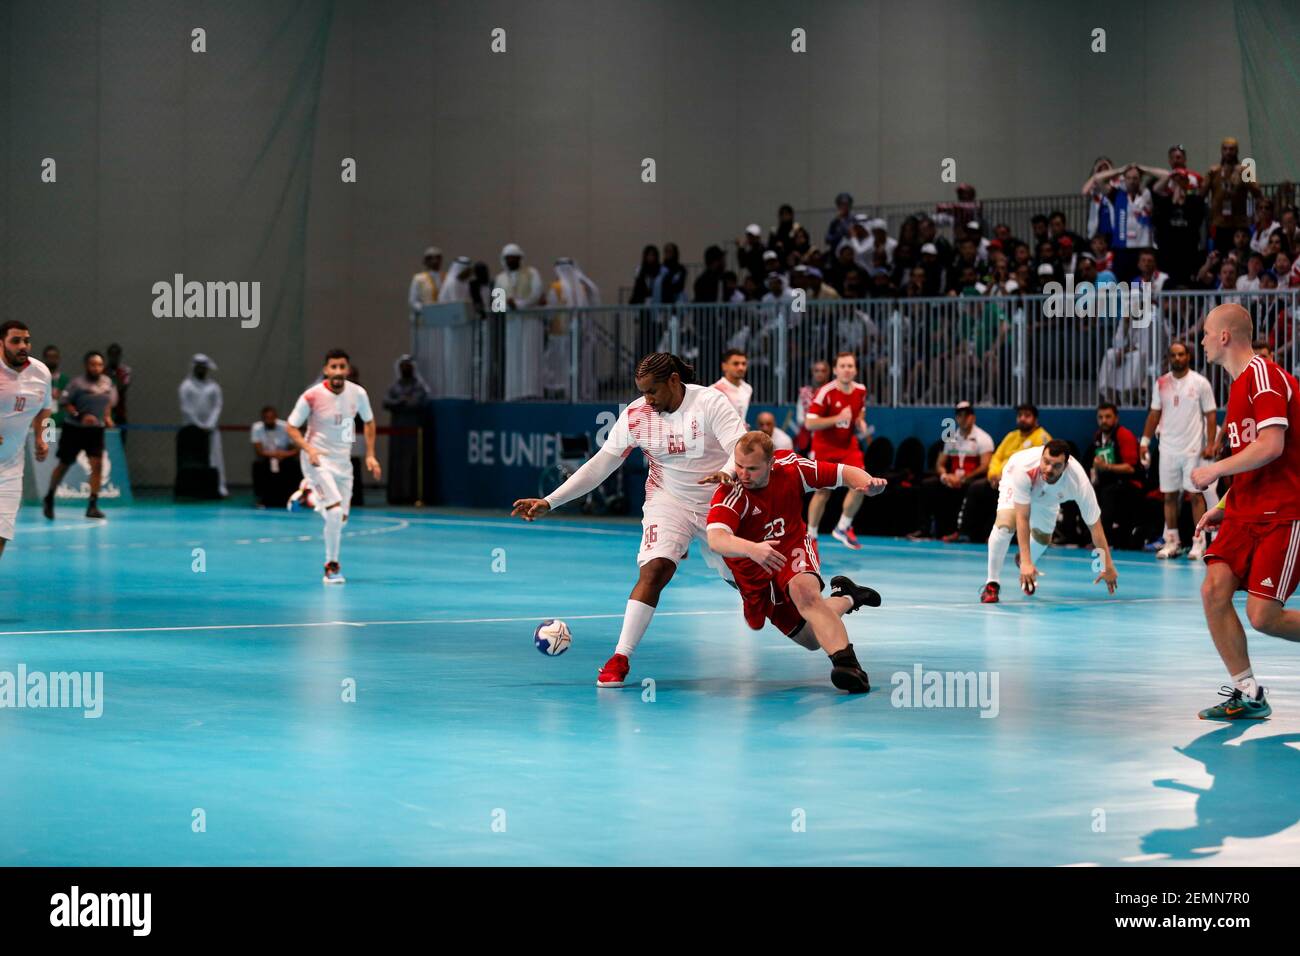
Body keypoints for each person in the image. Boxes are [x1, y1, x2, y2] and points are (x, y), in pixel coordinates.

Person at [510, 353, 747, 689]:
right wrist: (551, 501)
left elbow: (741, 448)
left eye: (652, 391)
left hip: (720, 501)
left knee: (752, 587)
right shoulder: (637, 416)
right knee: (655, 569)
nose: (647, 400)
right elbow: (601, 465)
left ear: (674, 382)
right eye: (642, 392)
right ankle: (620, 657)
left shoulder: (709, 402)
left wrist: (726, 473)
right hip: (669, 501)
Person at [704, 433, 886, 693]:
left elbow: (842, 472)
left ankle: (848, 665)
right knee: (812, 638)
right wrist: (753, 549)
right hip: (754, 569)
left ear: (771, 463)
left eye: (752, 468)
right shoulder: (731, 490)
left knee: (805, 594)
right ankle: (848, 597)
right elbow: (716, 539)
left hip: (791, 547)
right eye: (739, 465)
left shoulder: (792, 468)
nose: (743, 474)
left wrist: (867, 484)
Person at [1189, 304, 1300, 720]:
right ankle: (1248, 691)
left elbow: (1271, 446)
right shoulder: (1237, 388)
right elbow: (1253, 459)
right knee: (1213, 591)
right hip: (1243, 511)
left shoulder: (1264, 375)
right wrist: (1221, 504)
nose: (1200, 341)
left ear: (1223, 337)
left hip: (1282, 512)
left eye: (1205, 333)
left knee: (1263, 616)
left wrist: (1214, 469)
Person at [979, 440, 1119, 604]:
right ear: (1041, 457)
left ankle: (1026, 564)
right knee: (1005, 524)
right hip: (1018, 481)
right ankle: (992, 583)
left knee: (1043, 538)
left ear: (1066, 466)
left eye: (1056, 466)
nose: (1048, 469)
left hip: (1049, 498)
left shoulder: (1079, 483)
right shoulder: (1024, 468)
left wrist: (1106, 564)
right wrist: (1026, 561)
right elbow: (1022, 518)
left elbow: (1095, 527)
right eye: (1046, 462)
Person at [284, 349, 381, 585]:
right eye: (333, 367)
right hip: (317, 460)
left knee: (340, 520)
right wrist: (309, 449)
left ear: (347, 370)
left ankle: (309, 497)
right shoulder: (312, 396)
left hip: (343, 463)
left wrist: (370, 455)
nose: (338, 371)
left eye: (342, 367)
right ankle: (332, 566)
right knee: (335, 512)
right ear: (326, 370)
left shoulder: (358, 394)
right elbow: (291, 427)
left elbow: (369, 422)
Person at [1140, 340, 1219, 559]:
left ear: (1188, 357)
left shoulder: (1200, 383)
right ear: (1169, 358)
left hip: (1193, 448)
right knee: (1169, 496)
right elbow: (1154, 413)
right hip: (1167, 448)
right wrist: (1144, 442)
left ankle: (1198, 541)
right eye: (1173, 355)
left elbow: (1211, 414)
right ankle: (1172, 541)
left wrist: (1210, 444)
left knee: (1194, 496)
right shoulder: (1161, 383)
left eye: (1181, 354)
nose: (1177, 358)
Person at [951, 404, 1051, 543]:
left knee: (1004, 494)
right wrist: (993, 475)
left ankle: (999, 535)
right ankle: (967, 533)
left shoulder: (1042, 438)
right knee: (976, 488)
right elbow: (996, 458)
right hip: (999, 479)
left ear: (1035, 419)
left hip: (1024, 482)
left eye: (1027, 416)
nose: (1022, 419)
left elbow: (1039, 465)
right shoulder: (1011, 436)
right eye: (1020, 415)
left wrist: (1006, 477)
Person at [804, 351, 869, 550]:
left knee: (863, 483)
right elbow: (809, 424)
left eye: (850, 366)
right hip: (824, 447)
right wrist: (837, 418)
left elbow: (860, 411)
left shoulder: (860, 390)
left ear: (855, 369)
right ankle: (811, 536)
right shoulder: (825, 392)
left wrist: (860, 421)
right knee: (823, 492)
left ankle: (843, 527)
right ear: (835, 370)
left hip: (848, 446)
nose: (847, 370)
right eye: (843, 366)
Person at [0, 321, 52, 560]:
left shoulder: (41, 373)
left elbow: (44, 408)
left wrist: (42, 438)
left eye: (26, 340)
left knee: (2, 530)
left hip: (10, 467)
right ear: (2, 342)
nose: (23, 346)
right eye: (15, 341)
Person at [44, 350, 117, 520]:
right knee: (64, 464)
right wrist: (80, 416)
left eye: (99, 364)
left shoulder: (108, 384)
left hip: (95, 431)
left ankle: (92, 505)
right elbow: (65, 403)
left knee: (97, 465)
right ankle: (49, 497)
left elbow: (109, 403)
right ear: (86, 366)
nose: (96, 367)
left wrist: (106, 417)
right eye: (92, 364)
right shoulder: (76, 383)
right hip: (74, 429)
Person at [919, 400, 993, 540]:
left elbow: (985, 466)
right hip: (952, 479)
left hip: (971, 480)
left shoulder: (984, 438)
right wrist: (945, 477)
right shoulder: (950, 436)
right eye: (960, 415)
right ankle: (924, 529)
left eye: (967, 415)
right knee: (927, 484)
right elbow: (940, 464)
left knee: (974, 488)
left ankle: (963, 532)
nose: (963, 419)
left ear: (973, 417)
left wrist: (964, 479)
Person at [1088, 402, 1143, 550]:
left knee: (1108, 492)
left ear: (1116, 418)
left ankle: (1103, 540)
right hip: (1109, 482)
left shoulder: (1124, 435)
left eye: (1108, 417)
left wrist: (1106, 467)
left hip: (1130, 484)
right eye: (1100, 417)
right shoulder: (1098, 437)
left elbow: (1130, 468)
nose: (1103, 421)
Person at [383, 354, 430, 504]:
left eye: (408, 366)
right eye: (403, 366)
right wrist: (401, 401)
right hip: (397, 432)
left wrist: (403, 402)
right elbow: (386, 402)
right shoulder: (395, 387)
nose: (405, 369)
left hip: (414, 431)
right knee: (397, 462)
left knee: (413, 461)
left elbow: (418, 402)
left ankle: (412, 495)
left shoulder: (418, 386)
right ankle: (396, 495)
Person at [179, 354, 227, 497]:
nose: (201, 370)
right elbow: (185, 408)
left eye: (204, 368)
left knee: (215, 457)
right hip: (191, 430)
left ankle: (219, 487)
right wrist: (198, 425)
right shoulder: (185, 386)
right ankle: (192, 489)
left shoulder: (214, 387)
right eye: (199, 367)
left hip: (211, 430)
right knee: (192, 460)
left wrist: (209, 424)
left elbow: (217, 406)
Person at [250, 405, 299, 508]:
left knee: (294, 466)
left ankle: (289, 498)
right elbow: (259, 450)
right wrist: (275, 455)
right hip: (266, 458)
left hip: (284, 457)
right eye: (266, 418)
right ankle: (263, 499)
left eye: (271, 418)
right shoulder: (257, 428)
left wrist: (284, 454)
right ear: (262, 419)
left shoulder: (285, 427)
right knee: (258, 466)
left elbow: (296, 448)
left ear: (276, 417)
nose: (269, 421)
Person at [712, 349, 752, 424]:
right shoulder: (714, 390)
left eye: (744, 364)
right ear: (724, 366)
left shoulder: (748, 389)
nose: (741, 368)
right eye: (736, 364)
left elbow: (742, 417)